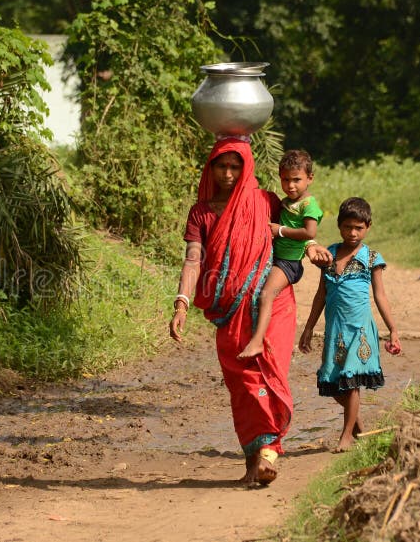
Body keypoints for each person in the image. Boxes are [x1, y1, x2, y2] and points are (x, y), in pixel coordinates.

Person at [168, 137, 332, 486]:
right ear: (210, 168)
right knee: (242, 385)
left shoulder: (265, 201)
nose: (228, 173)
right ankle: (252, 462)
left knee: (268, 376)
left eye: (235, 166)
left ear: (246, 168)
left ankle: (268, 454)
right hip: (229, 310)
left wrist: (314, 244)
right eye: (221, 166)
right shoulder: (201, 212)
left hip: (273, 305)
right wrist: (181, 301)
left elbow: (297, 226)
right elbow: (193, 260)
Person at [298, 197, 402, 452]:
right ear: (339, 227)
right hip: (335, 329)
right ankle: (359, 428)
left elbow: (380, 295)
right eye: (348, 227)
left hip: (361, 329)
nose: (353, 233)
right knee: (332, 382)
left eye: (358, 228)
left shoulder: (371, 258)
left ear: (368, 227)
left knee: (352, 379)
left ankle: (346, 436)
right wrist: (309, 326)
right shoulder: (328, 255)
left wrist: (393, 330)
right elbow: (320, 294)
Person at [238, 149, 323, 359]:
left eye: (297, 180)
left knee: (266, 294)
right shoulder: (288, 201)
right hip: (277, 258)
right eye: (286, 180)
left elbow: (309, 232)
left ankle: (257, 342)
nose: (291, 185)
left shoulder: (308, 204)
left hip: (289, 264)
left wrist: (281, 231)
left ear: (310, 178)